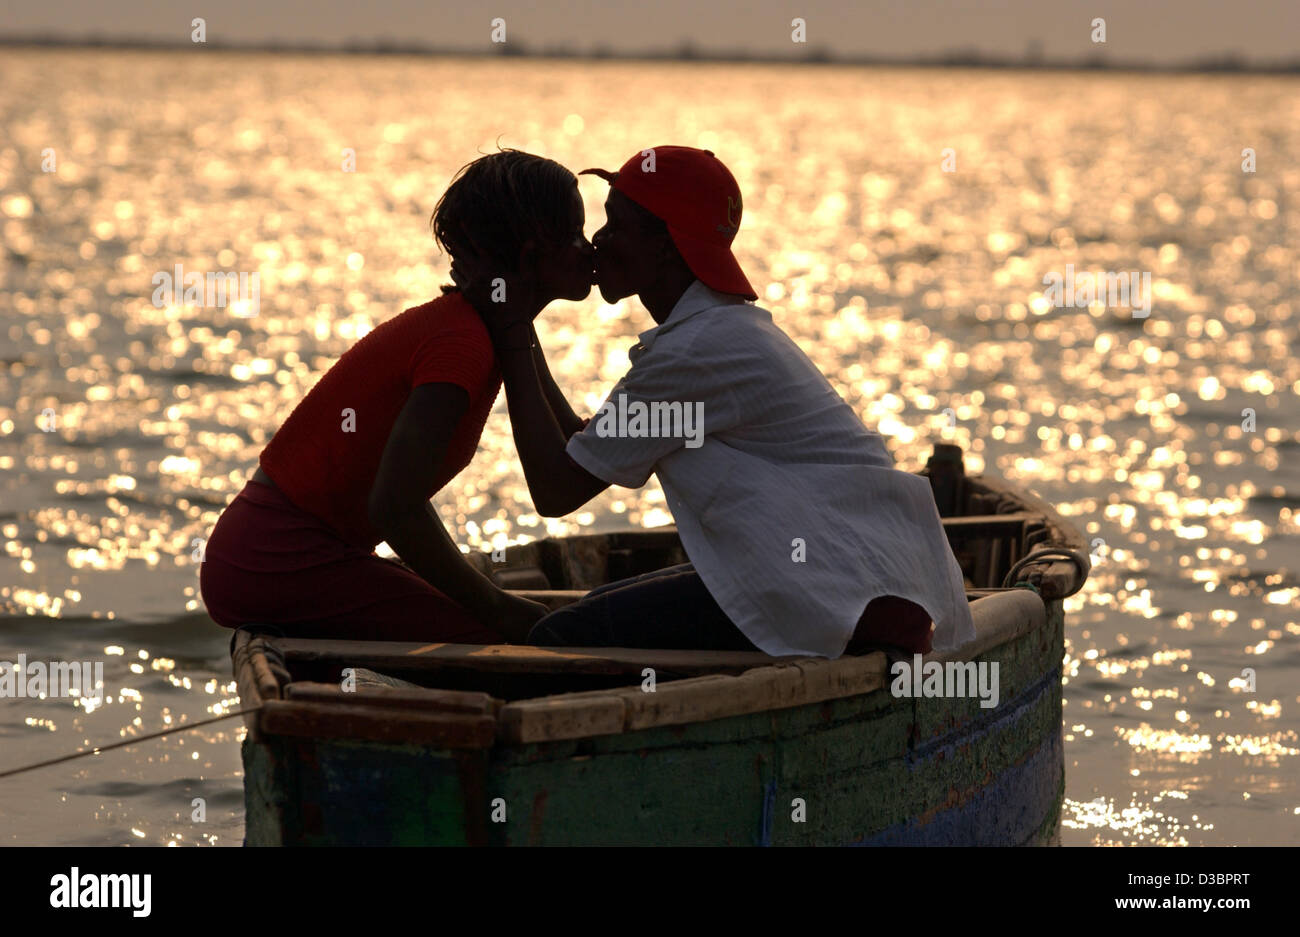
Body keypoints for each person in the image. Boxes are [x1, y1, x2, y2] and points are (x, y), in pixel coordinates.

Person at [459, 145, 976, 658]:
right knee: (589, 612)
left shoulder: (695, 351)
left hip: (846, 599)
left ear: (665, 245)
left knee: (556, 639)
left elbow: (555, 490)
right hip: (868, 588)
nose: (598, 240)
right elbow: (583, 447)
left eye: (616, 225)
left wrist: (508, 330)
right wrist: (520, 328)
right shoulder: (715, 331)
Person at [199, 150, 596, 643]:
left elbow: (571, 443)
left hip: (299, 556)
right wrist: (495, 606)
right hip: (275, 560)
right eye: (577, 235)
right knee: (513, 636)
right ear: (532, 257)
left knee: (514, 619)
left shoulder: (501, 330)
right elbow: (394, 506)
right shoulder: (463, 347)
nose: (590, 249)